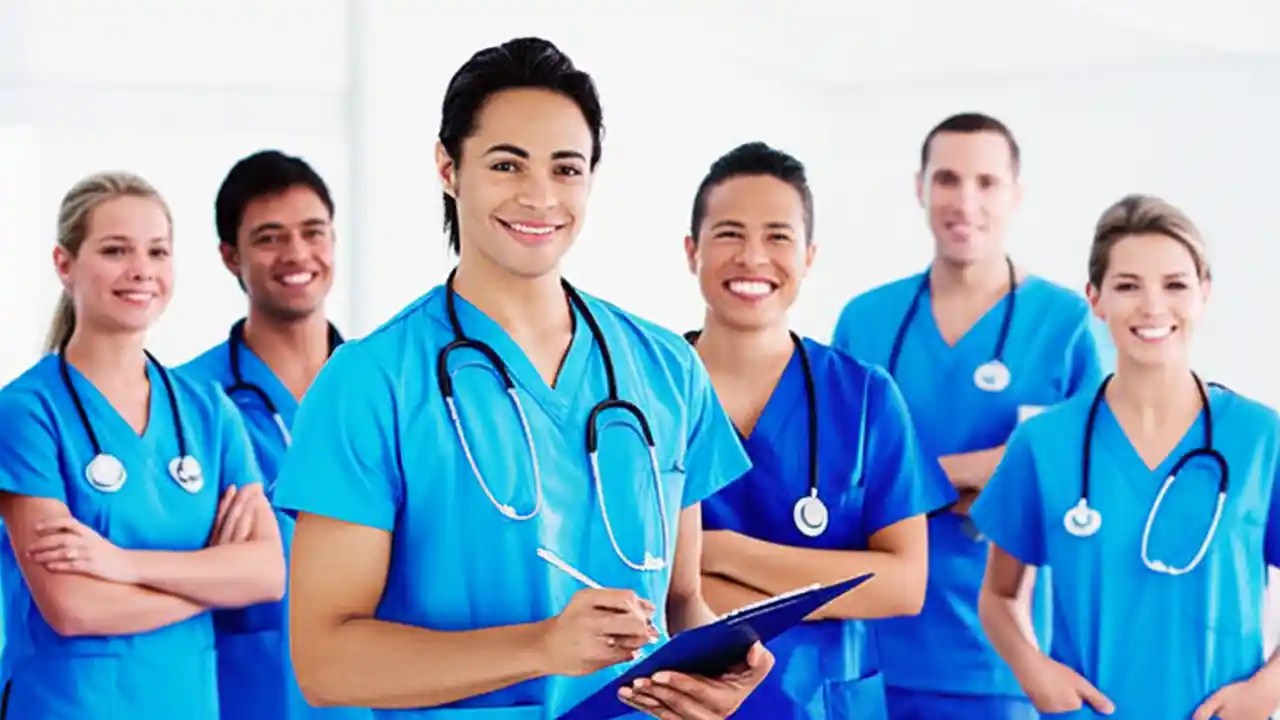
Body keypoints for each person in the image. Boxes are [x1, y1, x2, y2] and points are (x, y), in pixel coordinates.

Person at [270, 37, 773, 719]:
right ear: (449, 168)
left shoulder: (667, 369)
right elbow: (326, 663)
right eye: (507, 165)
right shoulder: (369, 383)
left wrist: (715, 674)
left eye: (567, 169)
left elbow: (680, 600)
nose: (540, 197)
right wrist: (541, 647)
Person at [832, 113, 1110, 719]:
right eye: (948, 179)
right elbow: (838, 481)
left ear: (1016, 194)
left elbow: (1071, 477)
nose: (965, 201)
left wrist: (906, 485)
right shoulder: (867, 319)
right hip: (871, 651)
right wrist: (978, 479)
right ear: (920, 187)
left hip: (1001, 661)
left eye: (987, 182)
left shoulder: (1066, 326)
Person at [973, 195, 1280, 719]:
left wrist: (1269, 690)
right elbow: (1000, 596)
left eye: (1176, 285)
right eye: (1128, 285)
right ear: (1095, 299)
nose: (1153, 306)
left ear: (1204, 294)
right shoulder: (1044, 443)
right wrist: (1034, 670)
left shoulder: (1259, 438)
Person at [681, 142, 956, 719]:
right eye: (729, 233)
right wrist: (837, 585)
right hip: (684, 700)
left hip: (827, 704)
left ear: (808, 256)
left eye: (778, 236)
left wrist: (719, 552)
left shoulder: (864, 398)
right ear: (692, 252)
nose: (753, 256)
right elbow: (633, 588)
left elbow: (905, 584)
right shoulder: (646, 395)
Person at [0, 171, 285, 719]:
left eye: (158, 252)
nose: (141, 271)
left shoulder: (207, 410)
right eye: (115, 250)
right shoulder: (28, 413)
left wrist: (120, 565)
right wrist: (210, 579)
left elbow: (266, 573)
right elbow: (73, 606)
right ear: (64, 264)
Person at [178, 150, 367, 720]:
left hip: (368, 694)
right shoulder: (186, 401)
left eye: (314, 232)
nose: (297, 254)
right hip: (245, 690)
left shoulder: (382, 388)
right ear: (229, 256)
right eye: (269, 237)